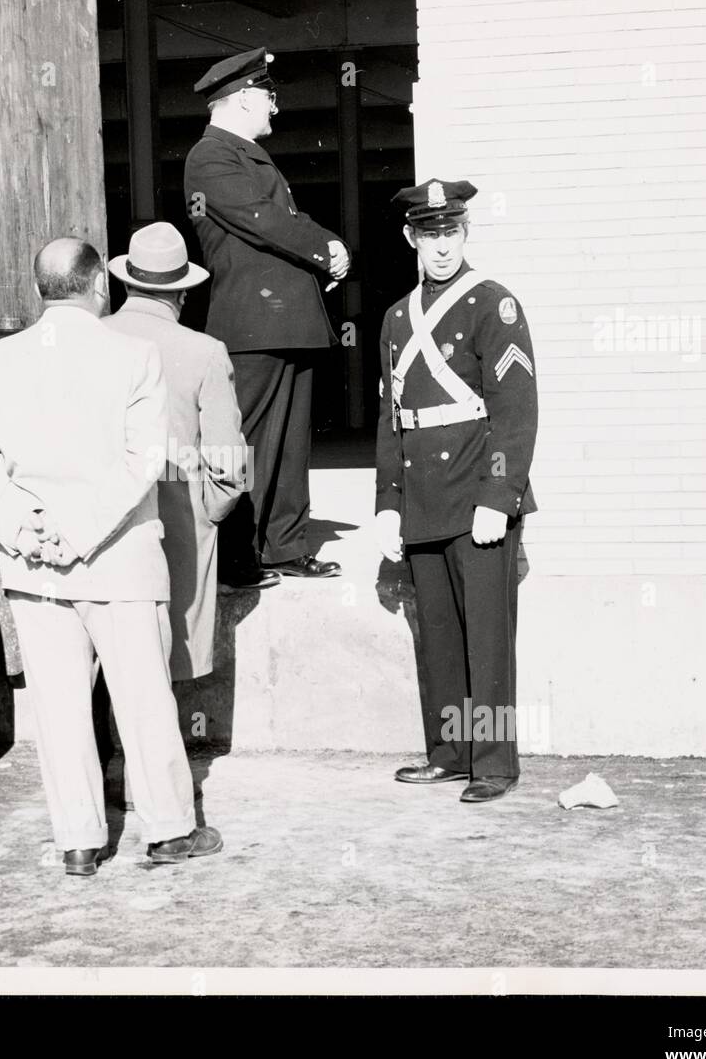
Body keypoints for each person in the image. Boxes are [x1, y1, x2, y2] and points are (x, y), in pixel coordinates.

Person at [0, 238, 222, 874]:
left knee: (58, 706)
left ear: (39, 290)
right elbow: (143, 461)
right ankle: (169, 832)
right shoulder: (135, 356)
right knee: (144, 700)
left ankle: (77, 841)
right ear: (100, 284)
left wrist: (26, 523)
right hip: (119, 560)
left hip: (34, 565)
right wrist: (78, 528)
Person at [375, 180, 539, 803]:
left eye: (451, 233)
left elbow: (515, 410)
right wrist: (389, 503)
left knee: (487, 639)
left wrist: (499, 496)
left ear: (465, 234)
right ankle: (450, 753)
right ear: (411, 238)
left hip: (477, 496)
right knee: (439, 637)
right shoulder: (395, 318)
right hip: (422, 498)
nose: (441, 246)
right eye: (429, 234)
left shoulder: (492, 304)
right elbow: (395, 416)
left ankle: (494, 763)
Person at [183, 45, 349, 588]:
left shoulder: (243, 154)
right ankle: (236, 558)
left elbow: (272, 224)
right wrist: (324, 247)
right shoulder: (210, 157)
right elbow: (264, 221)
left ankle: (284, 546)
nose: (275, 109)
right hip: (253, 325)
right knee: (247, 444)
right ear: (242, 99)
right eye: (268, 97)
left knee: (290, 440)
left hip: (282, 322)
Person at [104, 221, 247, 681]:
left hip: (102, 512)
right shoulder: (204, 351)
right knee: (168, 650)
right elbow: (228, 465)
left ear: (127, 281)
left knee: (109, 639)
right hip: (177, 510)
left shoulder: (94, 338)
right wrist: (207, 511)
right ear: (182, 294)